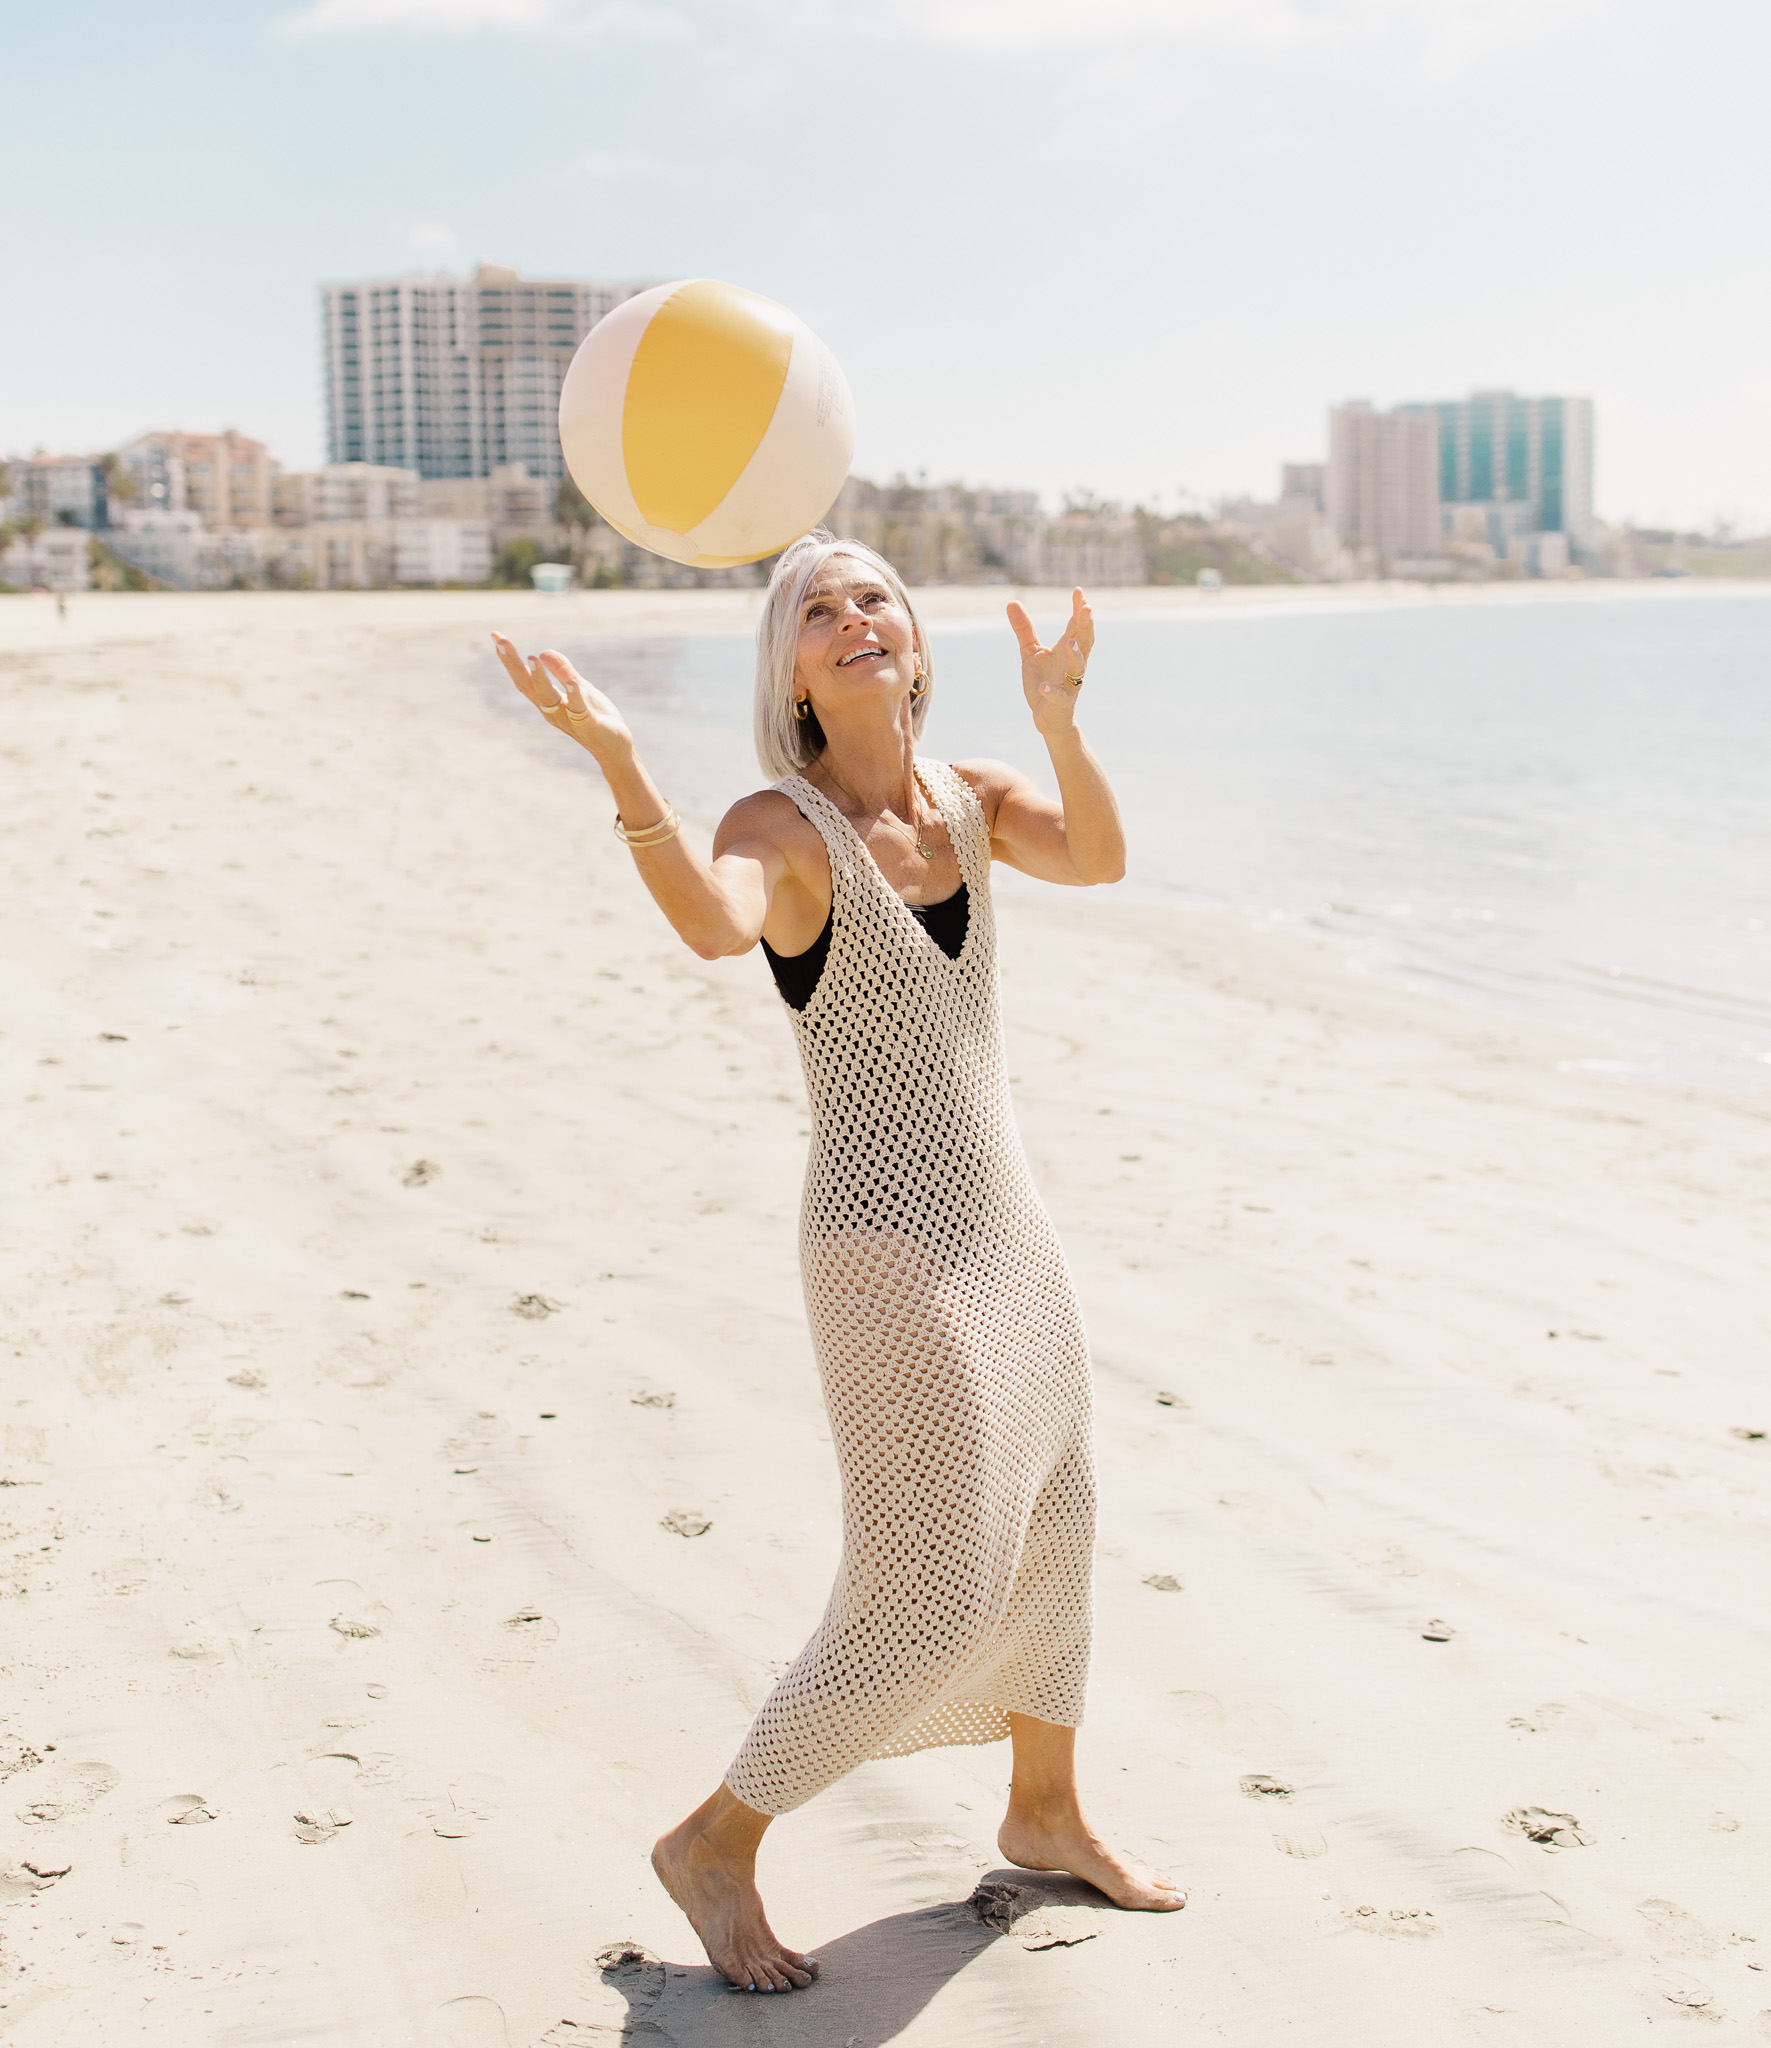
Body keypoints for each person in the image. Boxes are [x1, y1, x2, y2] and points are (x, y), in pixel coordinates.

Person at [491, 531, 1184, 1993]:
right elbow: (710, 925)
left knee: (1057, 1521)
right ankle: (715, 1840)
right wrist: (621, 762)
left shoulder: (972, 799)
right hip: (882, 1248)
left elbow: (1103, 858)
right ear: (793, 674)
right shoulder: (781, 824)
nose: (854, 617)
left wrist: (1061, 718)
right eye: (817, 610)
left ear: (915, 646)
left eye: (875, 598)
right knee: (930, 1588)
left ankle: (1046, 1807)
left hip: (1008, 1225)